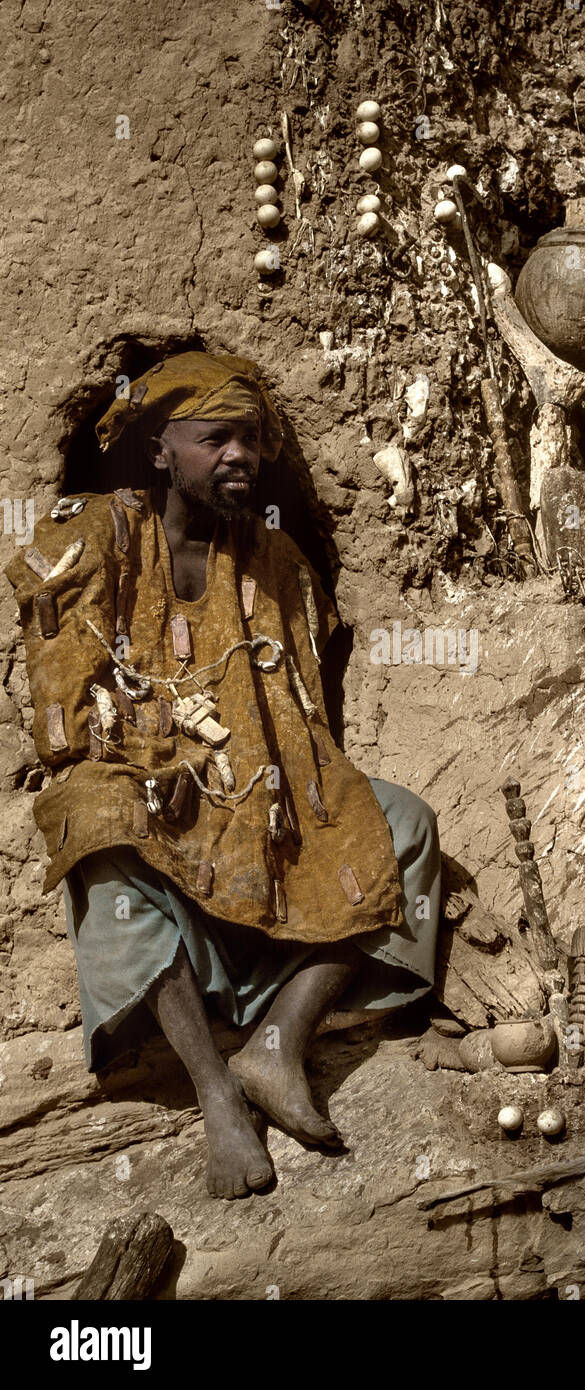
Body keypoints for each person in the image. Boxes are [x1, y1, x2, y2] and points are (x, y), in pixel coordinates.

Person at [4, 350, 441, 1199]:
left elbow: (303, 712)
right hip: (145, 782)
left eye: (250, 440)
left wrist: (280, 777)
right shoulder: (98, 533)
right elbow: (64, 691)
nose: (238, 455)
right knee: (92, 819)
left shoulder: (276, 561)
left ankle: (279, 1041)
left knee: (402, 821)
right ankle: (215, 1091)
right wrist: (145, 760)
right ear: (164, 451)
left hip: (261, 783)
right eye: (215, 439)